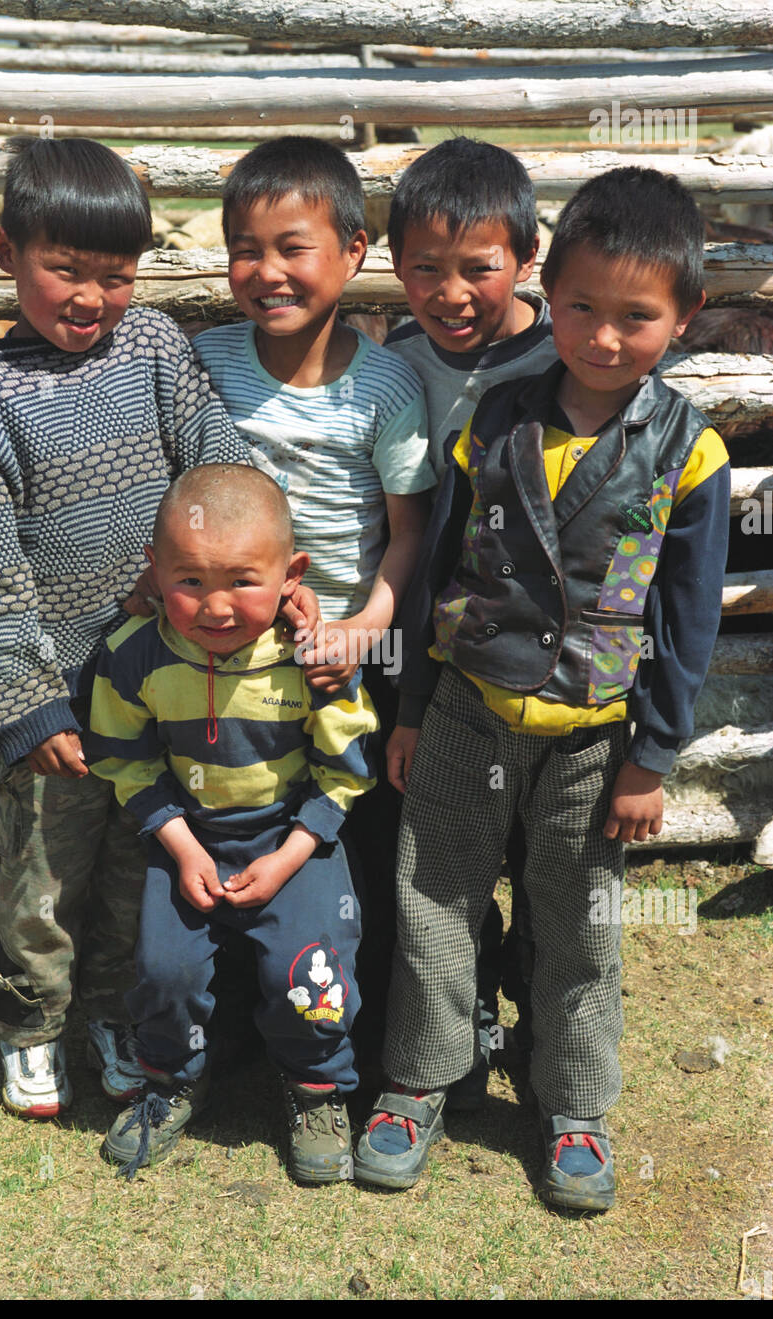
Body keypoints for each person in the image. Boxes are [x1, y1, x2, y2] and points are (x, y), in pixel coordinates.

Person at [354, 167, 731, 1211]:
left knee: (580, 921)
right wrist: (419, 706)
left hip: (593, 736)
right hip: (470, 709)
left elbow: (687, 619)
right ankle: (419, 1082)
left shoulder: (688, 452)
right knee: (435, 897)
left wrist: (652, 756)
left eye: (636, 317)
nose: (603, 338)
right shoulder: (498, 413)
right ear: (546, 291)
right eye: (581, 309)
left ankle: (574, 1103)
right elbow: (437, 576)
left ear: (686, 316)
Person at [0, 137, 251, 1119]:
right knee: (39, 883)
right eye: (65, 269)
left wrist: (251, 571)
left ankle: (113, 1012)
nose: (91, 297)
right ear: (6, 252)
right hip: (53, 705)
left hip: (152, 685)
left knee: (131, 871)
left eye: (115, 276)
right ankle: (30, 1025)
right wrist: (30, 708)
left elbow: (218, 464)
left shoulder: (156, 348)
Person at [191, 136, 436, 1063]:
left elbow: (406, 526)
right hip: (224, 653)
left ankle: (357, 1029)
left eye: (293, 248)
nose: (267, 272)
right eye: (246, 250)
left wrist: (368, 626)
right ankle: (234, 1028)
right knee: (235, 823)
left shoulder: (385, 386)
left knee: (351, 836)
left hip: (341, 659)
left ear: (352, 254)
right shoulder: (204, 363)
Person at [88, 465, 378, 1183]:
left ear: (292, 574)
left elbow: (345, 769)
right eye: (189, 581)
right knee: (164, 971)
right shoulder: (132, 656)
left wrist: (288, 856)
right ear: (154, 572)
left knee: (311, 975)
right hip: (185, 837)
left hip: (297, 839)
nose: (215, 607)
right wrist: (181, 848)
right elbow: (124, 762)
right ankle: (172, 1079)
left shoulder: (315, 660)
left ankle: (316, 1091)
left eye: (243, 581)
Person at [386, 138, 560, 1103]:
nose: (449, 292)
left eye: (476, 269)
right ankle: (456, 1029)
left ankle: (544, 1052)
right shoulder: (396, 361)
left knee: (542, 865)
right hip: (428, 653)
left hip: (545, 663)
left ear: (525, 260)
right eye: (424, 269)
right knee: (439, 864)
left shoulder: (563, 355)